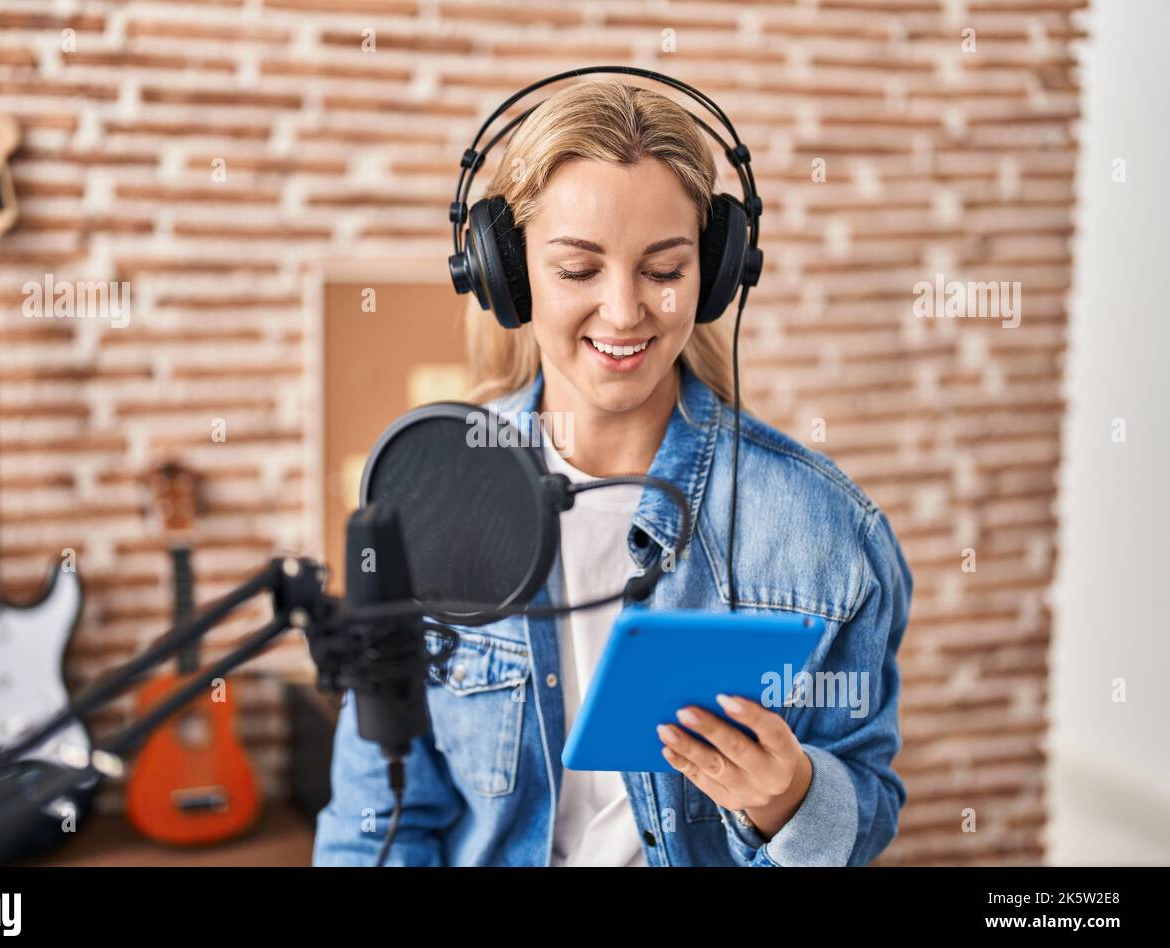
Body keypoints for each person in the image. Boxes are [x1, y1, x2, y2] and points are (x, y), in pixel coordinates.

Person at [313, 78, 912, 867]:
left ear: (717, 273)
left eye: (663, 270)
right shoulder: (434, 497)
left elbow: (866, 810)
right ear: (509, 274)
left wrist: (789, 799)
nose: (625, 311)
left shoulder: (824, 531)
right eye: (578, 271)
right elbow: (378, 817)